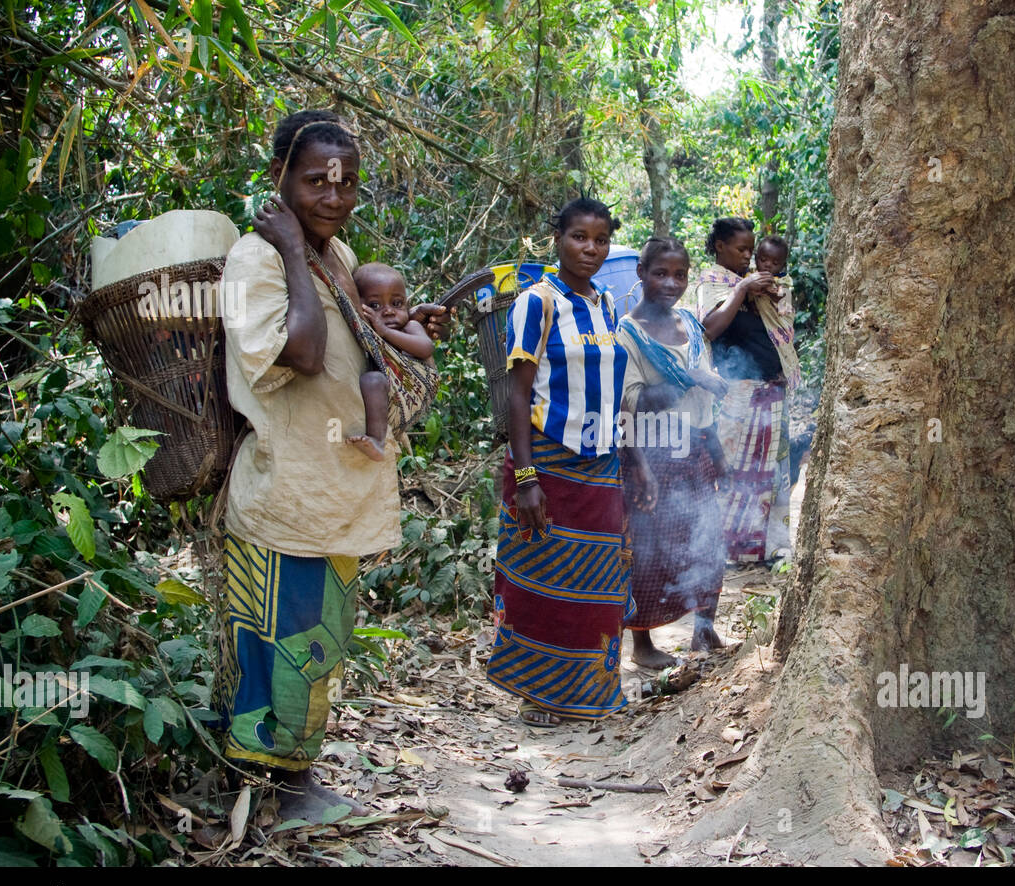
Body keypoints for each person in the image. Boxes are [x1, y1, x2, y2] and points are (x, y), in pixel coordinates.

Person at [215, 109, 448, 818]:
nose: (334, 197)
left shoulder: (340, 259)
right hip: (287, 488)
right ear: (280, 177)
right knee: (276, 640)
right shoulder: (251, 260)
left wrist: (406, 329)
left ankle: (294, 775)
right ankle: (266, 786)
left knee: (318, 641)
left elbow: (357, 343)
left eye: (346, 184)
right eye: (316, 180)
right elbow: (303, 355)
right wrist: (288, 249)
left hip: (336, 487)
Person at [484, 197, 632, 727]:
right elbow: (517, 397)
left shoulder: (608, 305)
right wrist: (527, 479)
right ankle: (538, 694)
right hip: (547, 462)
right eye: (579, 237)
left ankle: (592, 689)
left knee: (597, 583)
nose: (591, 248)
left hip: (600, 465)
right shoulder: (537, 303)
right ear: (558, 239)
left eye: (600, 239)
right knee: (540, 582)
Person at [618, 237, 729, 668]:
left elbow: (707, 399)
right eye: (660, 273)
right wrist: (689, 378)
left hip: (696, 447)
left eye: (680, 274)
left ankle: (704, 630)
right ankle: (642, 645)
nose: (671, 283)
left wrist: (717, 451)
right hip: (652, 455)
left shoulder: (689, 322)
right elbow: (632, 402)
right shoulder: (627, 334)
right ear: (641, 273)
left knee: (708, 539)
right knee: (648, 551)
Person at [696, 217, 800, 564]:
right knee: (735, 468)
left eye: (750, 251)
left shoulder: (762, 286)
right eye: (740, 249)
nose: (747, 257)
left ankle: (772, 546)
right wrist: (740, 291)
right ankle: (732, 547)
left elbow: (781, 323)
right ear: (720, 247)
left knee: (773, 471)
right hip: (738, 392)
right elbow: (708, 329)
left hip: (773, 389)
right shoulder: (713, 284)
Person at [349, 262, 435, 460]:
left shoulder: (410, 326)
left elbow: (425, 348)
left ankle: (378, 441)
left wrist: (385, 332)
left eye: (396, 304)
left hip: (416, 385)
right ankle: (378, 440)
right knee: (372, 381)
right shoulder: (367, 336)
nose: (388, 312)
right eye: (375, 306)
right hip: (390, 396)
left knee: (373, 380)